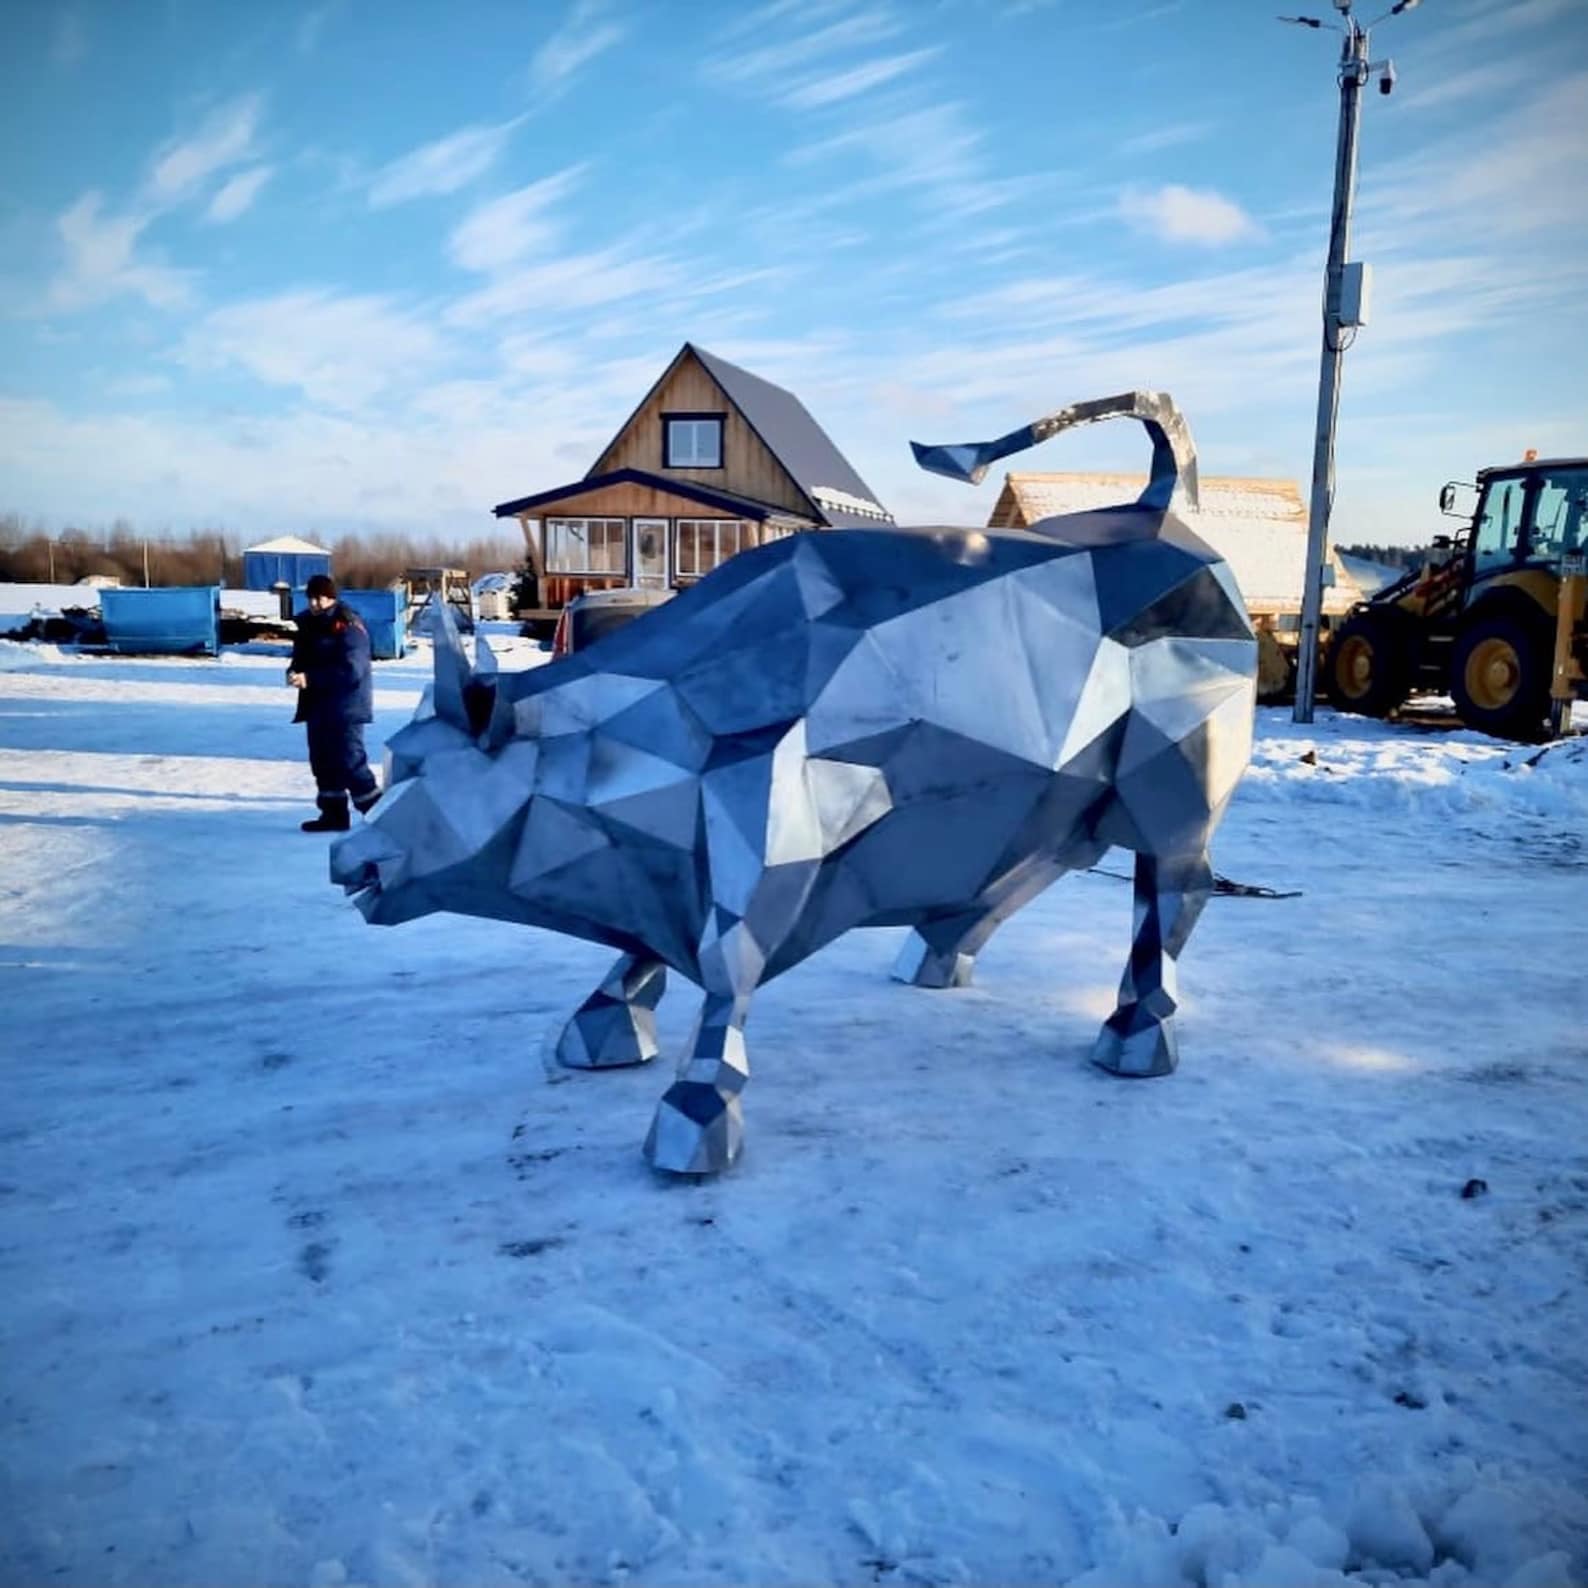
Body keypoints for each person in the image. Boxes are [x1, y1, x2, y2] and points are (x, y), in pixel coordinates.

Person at [287, 574, 379, 832]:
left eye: (321, 598)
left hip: (346, 706)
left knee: (351, 763)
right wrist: (295, 671)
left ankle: (379, 816)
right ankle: (333, 815)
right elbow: (303, 657)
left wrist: (311, 678)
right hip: (318, 705)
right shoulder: (308, 625)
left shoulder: (348, 626)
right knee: (323, 762)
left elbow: (353, 670)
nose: (316, 603)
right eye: (312, 598)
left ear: (332, 598)